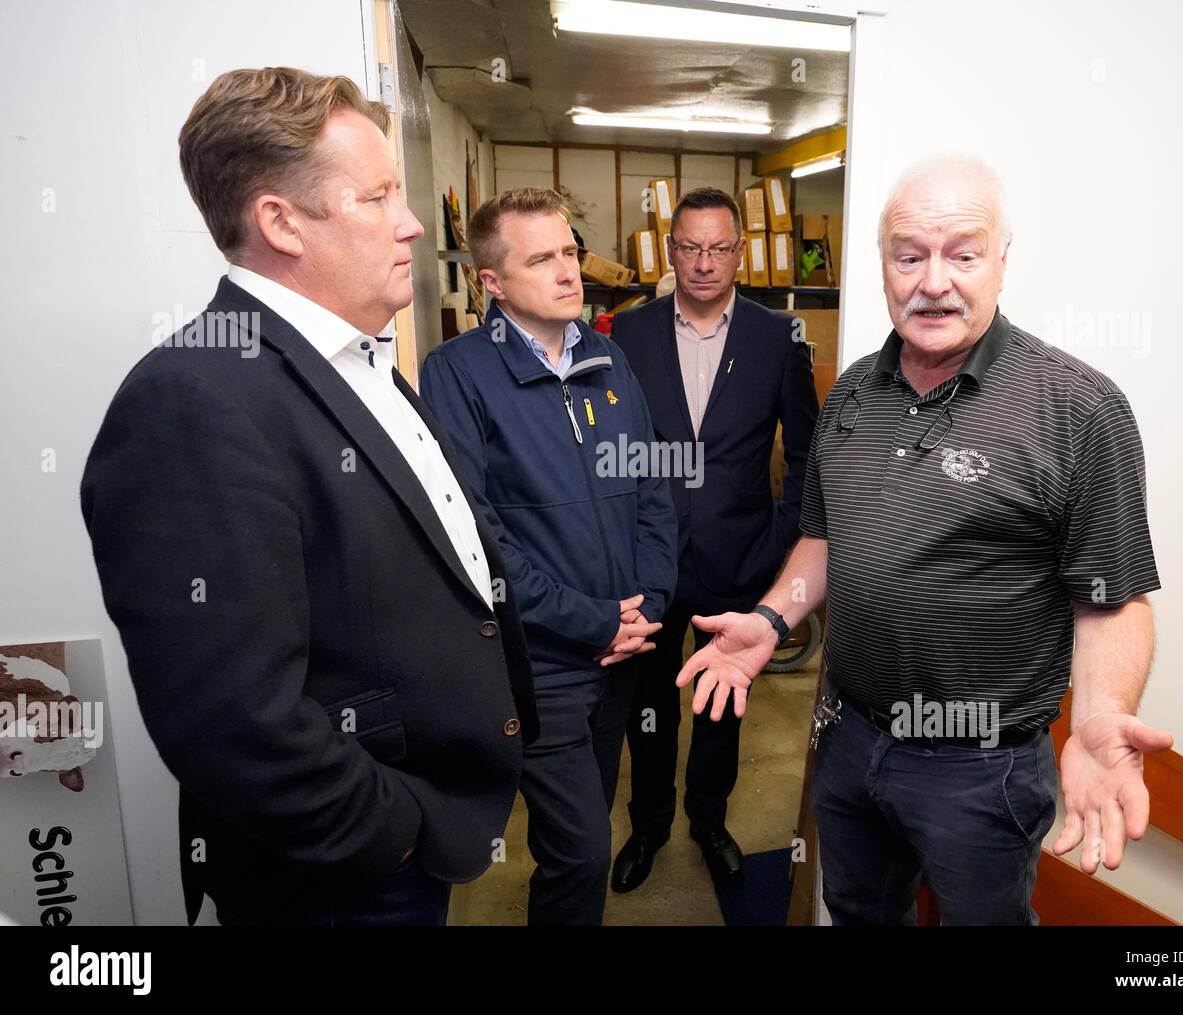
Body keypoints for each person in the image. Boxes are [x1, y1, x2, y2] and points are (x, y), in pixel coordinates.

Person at [80, 67, 537, 926]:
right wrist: (402, 834)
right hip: (343, 883)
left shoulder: (358, 362)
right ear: (280, 221)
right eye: (376, 197)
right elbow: (235, 723)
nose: (409, 224)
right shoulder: (191, 401)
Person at [676, 155, 1173, 925]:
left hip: (982, 769)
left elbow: (1111, 599)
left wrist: (1101, 714)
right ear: (884, 268)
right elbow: (824, 537)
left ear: (1001, 262)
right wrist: (772, 620)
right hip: (848, 736)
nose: (933, 281)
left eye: (962, 254)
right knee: (859, 911)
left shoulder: (1079, 410)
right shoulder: (849, 393)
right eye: (910, 256)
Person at [419, 187, 677, 925]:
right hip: (544, 665)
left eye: (569, 250)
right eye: (543, 258)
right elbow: (476, 536)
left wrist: (647, 605)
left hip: (622, 647)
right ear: (491, 282)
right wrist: (591, 620)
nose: (570, 270)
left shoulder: (608, 357)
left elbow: (653, 485)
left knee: (587, 822)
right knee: (583, 849)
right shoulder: (458, 373)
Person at [609, 188, 818, 890]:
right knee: (651, 703)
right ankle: (647, 825)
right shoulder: (627, 335)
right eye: (690, 247)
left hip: (742, 559)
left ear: (741, 253)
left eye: (719, 248)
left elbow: (807, 448)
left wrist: (782, 537)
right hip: (650, 561)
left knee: (723, 704)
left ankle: (707, 818)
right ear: (670, 250)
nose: (703, 263)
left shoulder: (776, 336)